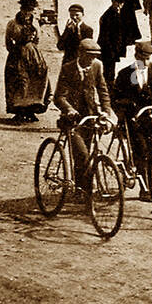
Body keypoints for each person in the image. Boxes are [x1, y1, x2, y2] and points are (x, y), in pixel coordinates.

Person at [52, 38, 112, 192]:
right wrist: (69, 109)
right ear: (80, 53)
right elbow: (59, 97)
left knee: (90, 154)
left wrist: (106, 111)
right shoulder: (68, 68)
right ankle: (85, 190)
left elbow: (103, 90)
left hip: (90, 117)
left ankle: (82, 188)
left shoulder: (97, 66)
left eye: (94, 57)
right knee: (82, 155)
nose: (91, 60)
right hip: (72, 120)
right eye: (89, 56)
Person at [112, 41, 152, 192]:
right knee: (142, 152)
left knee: (150, 151)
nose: (146, 62)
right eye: (143, 58)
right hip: (133, 120)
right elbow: (115, 98)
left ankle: (145, 183)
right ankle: (145, 189)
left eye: (149, 58)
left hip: (150, 118)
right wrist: (124, 111)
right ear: (136, 55)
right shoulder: (126, 73)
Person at [4, 0, 50, 122]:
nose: (27, 13)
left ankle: (31, 110)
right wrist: (15, 52)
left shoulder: (35, 23)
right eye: (25, 10)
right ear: (21, 9)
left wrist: (32, 50)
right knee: (19, 81)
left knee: (36, 79)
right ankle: (18, 111)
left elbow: (38, 39)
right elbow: (8, 41)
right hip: (17, 54)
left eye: (30, 10)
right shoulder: (12, 24)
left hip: (33, 54)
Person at [98, 0, 135, 83]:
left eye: (121, 4)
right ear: (113, 2)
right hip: (108, 49)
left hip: (113, 49)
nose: (119, 6)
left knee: (110, 69)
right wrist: (113, 49)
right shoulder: (109, 16)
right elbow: (106, 35)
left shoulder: (116, 13)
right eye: (117, 3)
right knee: (108, 71)